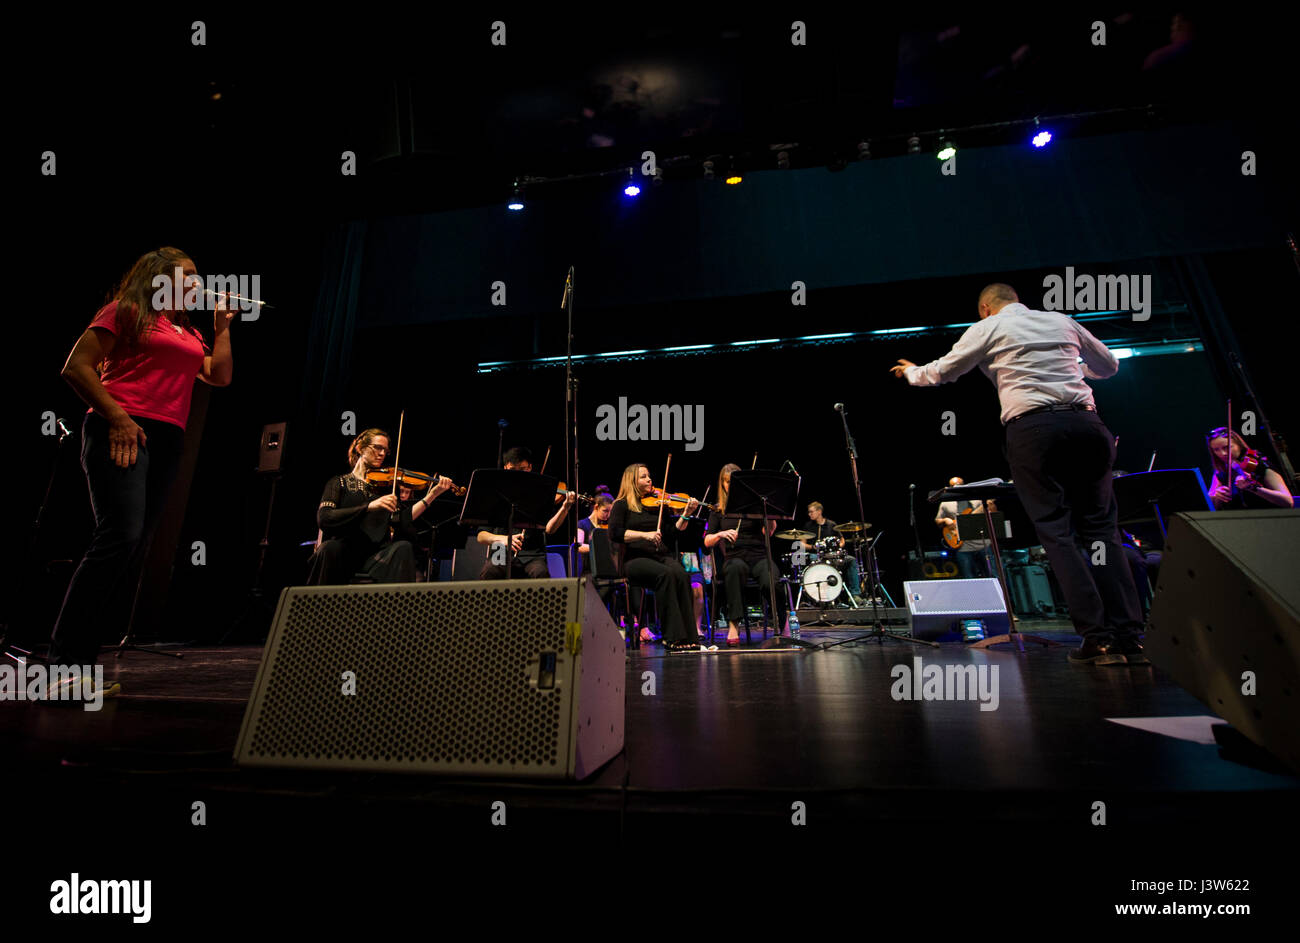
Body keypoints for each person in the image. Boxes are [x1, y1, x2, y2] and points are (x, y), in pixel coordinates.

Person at [891, 283, 1145, 665]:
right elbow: (1109, 365)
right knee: (1102, 532)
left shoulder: (988, 328)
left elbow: (942, 372)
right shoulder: (1061, 320)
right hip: (1087, 425)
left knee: (1058, 533)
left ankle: (1099, 639)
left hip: (1035, 429)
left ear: (984, 308)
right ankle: (1131, 638)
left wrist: (912, 373)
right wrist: (1078, 368)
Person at [49, 248, 235, 696]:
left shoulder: (186, 330)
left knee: (129, 551)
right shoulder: (127, 311)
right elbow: (76, 367)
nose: (197, 281)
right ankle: (59, 671)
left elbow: (218, 375)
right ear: (160, 277)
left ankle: (80, 671)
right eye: (188, 274)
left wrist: (223, 328)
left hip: (168, 438)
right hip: (122, 425)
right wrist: (116, 417)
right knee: (120, 537)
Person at [307, 429, 454, 584]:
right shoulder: (339, 483)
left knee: (403, 547)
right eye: (377, 448)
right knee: (328, 548)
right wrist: (368, 507)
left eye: (385, 450)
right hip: (344, 552)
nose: (382, 453)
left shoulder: (387, 487)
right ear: (361, 448)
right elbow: (325, 517)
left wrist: (431, 496)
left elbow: (402, 521)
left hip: (376, 556)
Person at [607, 463, 703, 653]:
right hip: (634, 560)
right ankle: (672, 637)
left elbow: (672, 533)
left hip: (659, 556)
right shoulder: (622, 505)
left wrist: (686, 514)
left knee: (681, 574)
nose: (649, 479)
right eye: (643, 477)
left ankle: (690, 637)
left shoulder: (656, 505)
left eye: (649, 476)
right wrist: (645, 535)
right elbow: (615, 533)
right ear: (632, 481)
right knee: (666, 574)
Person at [705, 463, 788, 646]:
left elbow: (769, 532)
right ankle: (734, 624)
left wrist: (770, 514)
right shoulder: (717, 510)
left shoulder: (754, 507)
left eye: (733, 482)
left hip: (759, 556)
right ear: (722, 484)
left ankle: (783, 622)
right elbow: (707, 540)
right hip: (734, 557)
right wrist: (720, 534)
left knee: (771, 580)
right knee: (734, 570)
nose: (729, 485)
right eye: (726, 482)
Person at [475, 447, 576, 579]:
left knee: (540, 573)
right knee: (489, 572)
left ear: (529, 467)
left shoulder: (541, 493)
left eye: (522, 469)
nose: (518, 475)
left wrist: (565, 508)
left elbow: (550, 529)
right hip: (500, 553)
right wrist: (504, 539)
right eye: (513, 470)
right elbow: (481, 536)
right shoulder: (497, 495)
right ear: (505, 468)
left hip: (533, 555)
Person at [1205, 428, 1293, 510]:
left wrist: (1252, 487)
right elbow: (1210, 502)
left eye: (1227, 447)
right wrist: (1217, 496)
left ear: (1238, 445)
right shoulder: (1222, 469)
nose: (1223, 453)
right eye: (1216, 450)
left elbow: (1287, 502)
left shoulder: (1258, 464)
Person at [934, 476, 997, 579]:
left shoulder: (976, 498)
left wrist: (991, 505)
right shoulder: (946, 502)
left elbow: (993, 514)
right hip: (962, 547)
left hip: (983, 544)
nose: (956, 487)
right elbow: (937, 521)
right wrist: (945, 520)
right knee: (969, 578)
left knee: (993, 576)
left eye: (959, 485)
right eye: (953, 486)